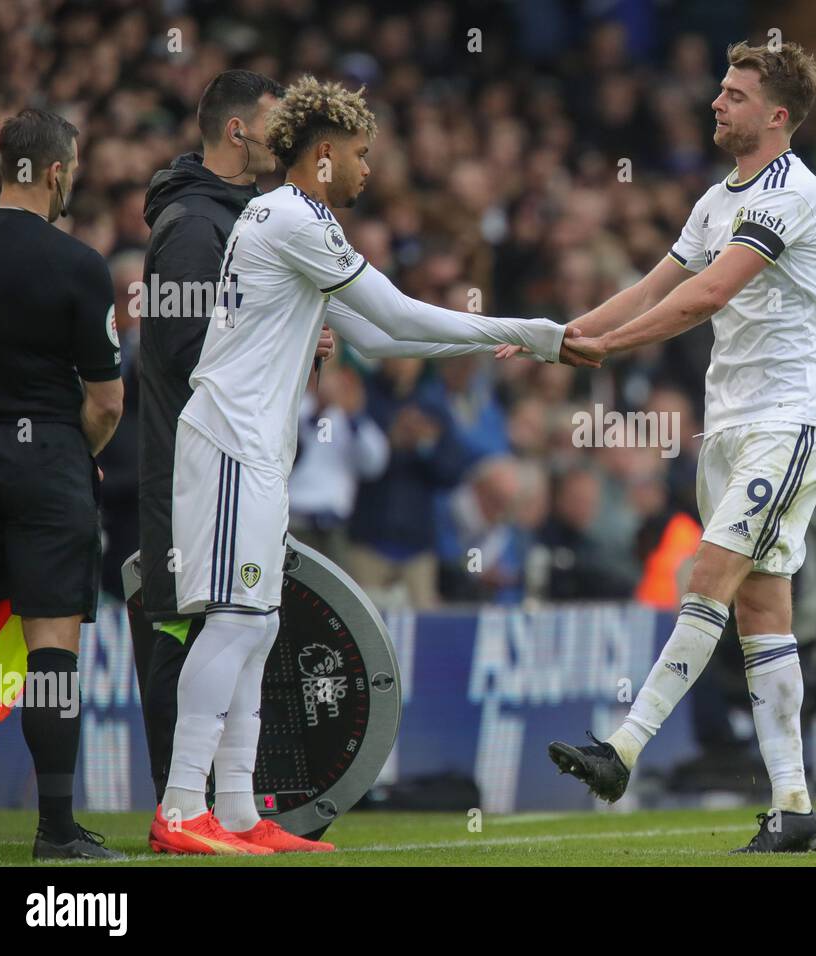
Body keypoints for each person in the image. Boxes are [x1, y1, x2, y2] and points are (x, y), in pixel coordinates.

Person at [149, 75, 593, 856]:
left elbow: (385, 340)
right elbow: (394, 314)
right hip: (228, 441)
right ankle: (182, 808)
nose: (366, 170)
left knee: (256, 629)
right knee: (235, 624)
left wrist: (507, 340)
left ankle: (241, 814)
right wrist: (532, 332)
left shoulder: (296, 220)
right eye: (359, 153)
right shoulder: (291, 217)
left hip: (254, 448)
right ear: (323, 153)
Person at [540, 41, 816, 853]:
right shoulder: (717, 200)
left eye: (736, 94)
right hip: (734, 419)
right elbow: (655, 284)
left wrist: (612, 350)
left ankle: (624, 747)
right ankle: (794, 809)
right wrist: (563, 336)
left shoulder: (793, 194)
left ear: (776, 116)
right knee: (758, 603)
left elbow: (706, 295)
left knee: (708, 572)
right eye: (721, 90)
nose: (717, 103)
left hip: (793, 416)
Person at [136, 69, 303, 806]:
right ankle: (182, 804)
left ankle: (225, 808)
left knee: (240, 631)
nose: (287, 137)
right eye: (276, 121)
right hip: (189, 471)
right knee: (185, 630)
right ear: (238, 130)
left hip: (231, 467)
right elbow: (180, 348)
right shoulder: (196, 227)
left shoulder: (244, 216)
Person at [0, 109, 124, 859]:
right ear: (58, 170)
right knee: (50, 657)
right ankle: (56, 832)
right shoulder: (79, 265)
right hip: (49, 469)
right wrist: (76, 449)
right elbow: (106, 402)